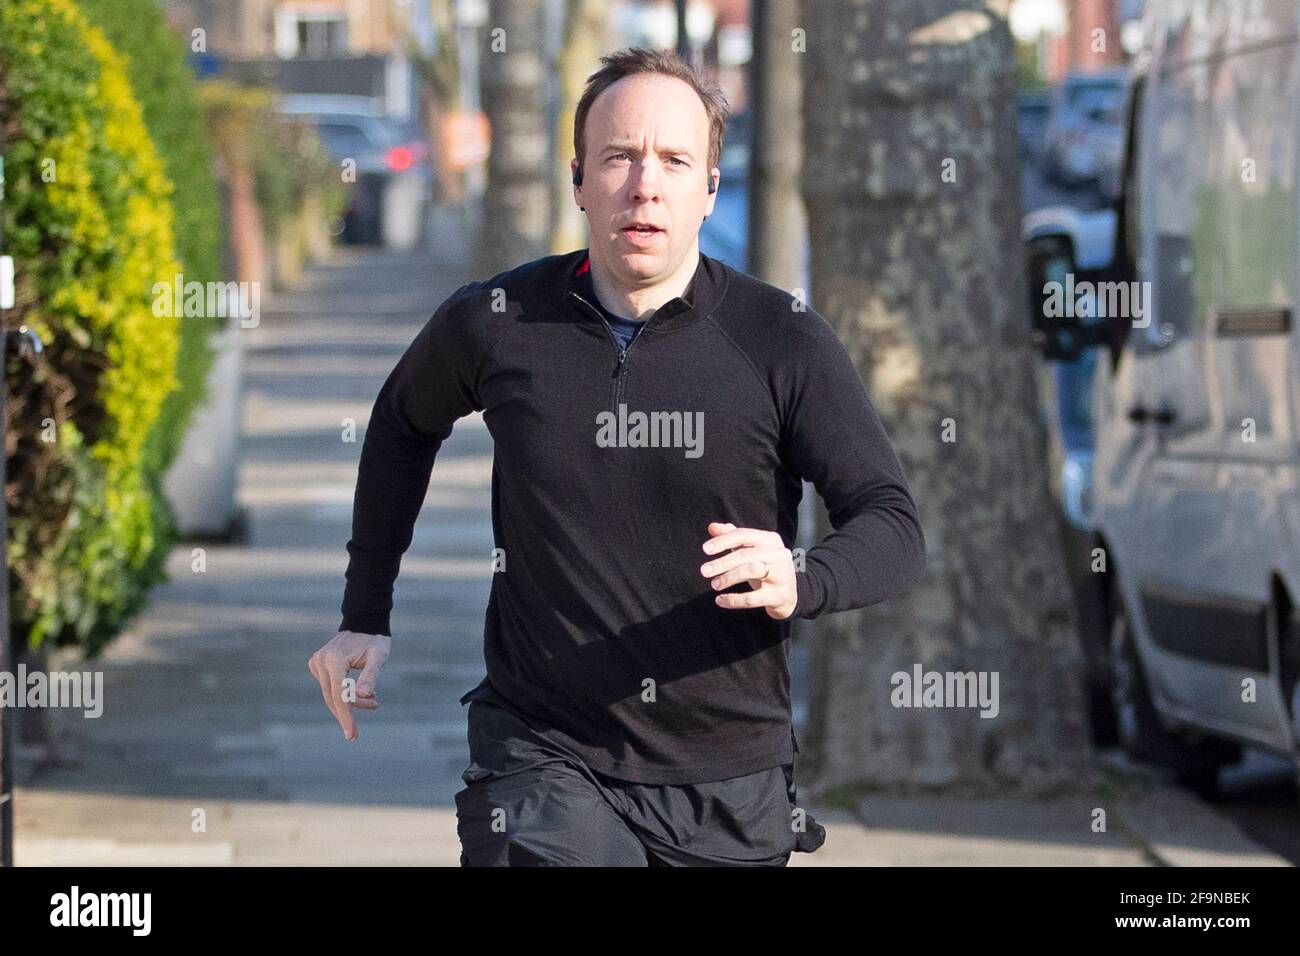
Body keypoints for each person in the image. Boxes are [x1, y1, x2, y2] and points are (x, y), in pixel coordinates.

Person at [308, 47, 927, 866]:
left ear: (709, 188)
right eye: (619, 157)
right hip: (542, 750)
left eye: (675, 161)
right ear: (579, 179)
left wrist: (801, 577)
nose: (645, 185)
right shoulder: (499, 320)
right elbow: (399, 424)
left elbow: (892, 524)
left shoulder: (781, 339)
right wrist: (365, 611)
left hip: (727, 774)